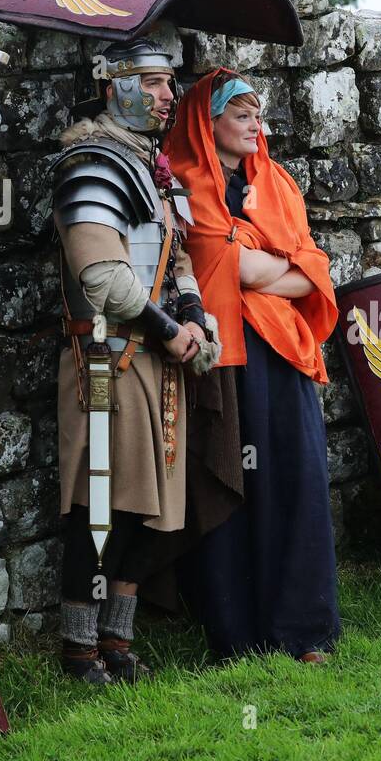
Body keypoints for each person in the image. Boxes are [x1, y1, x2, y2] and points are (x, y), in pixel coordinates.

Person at [50, 38, 222, 684]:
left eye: (168, 83)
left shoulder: (153, 168)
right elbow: (102, 280)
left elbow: (177, 259)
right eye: (150, 82)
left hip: (158, 359)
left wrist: (194, 316)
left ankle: (118, 638)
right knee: (103, 508)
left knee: (151, 510)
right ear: (110, 85)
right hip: (108, 359)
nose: (165, 95)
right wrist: (168, 331)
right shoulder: (91, 164)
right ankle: (79, 647)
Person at [164, 69, 341, 663]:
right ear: (207, 121)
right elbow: (221, 264)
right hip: (225, 355)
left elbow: (314, 265)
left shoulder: (278, 182)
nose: (254, 127)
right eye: (241, 115)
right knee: (229, 481)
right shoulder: (187, 183)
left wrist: (264, 265)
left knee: (295, 477)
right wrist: (278, 270)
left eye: (258, 116)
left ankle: (304, 629)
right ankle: (236, 634)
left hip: (280, 349)